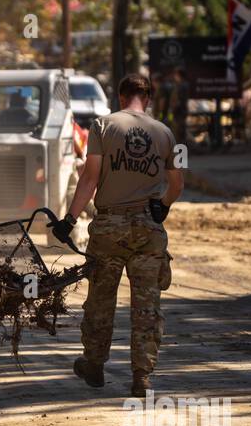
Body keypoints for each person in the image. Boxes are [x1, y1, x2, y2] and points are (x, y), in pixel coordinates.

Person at [49, 73, 183, 395]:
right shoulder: (166, 133)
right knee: (147, 305)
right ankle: (142, 376)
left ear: (121, 98)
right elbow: (177, 184)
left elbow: (90, 178)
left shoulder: (102, 126)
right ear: (147, 99)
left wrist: (69, 219)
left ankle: (94, 364)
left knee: (100, 300)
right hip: (148, 232)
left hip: (109, 229)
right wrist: (162, 206)